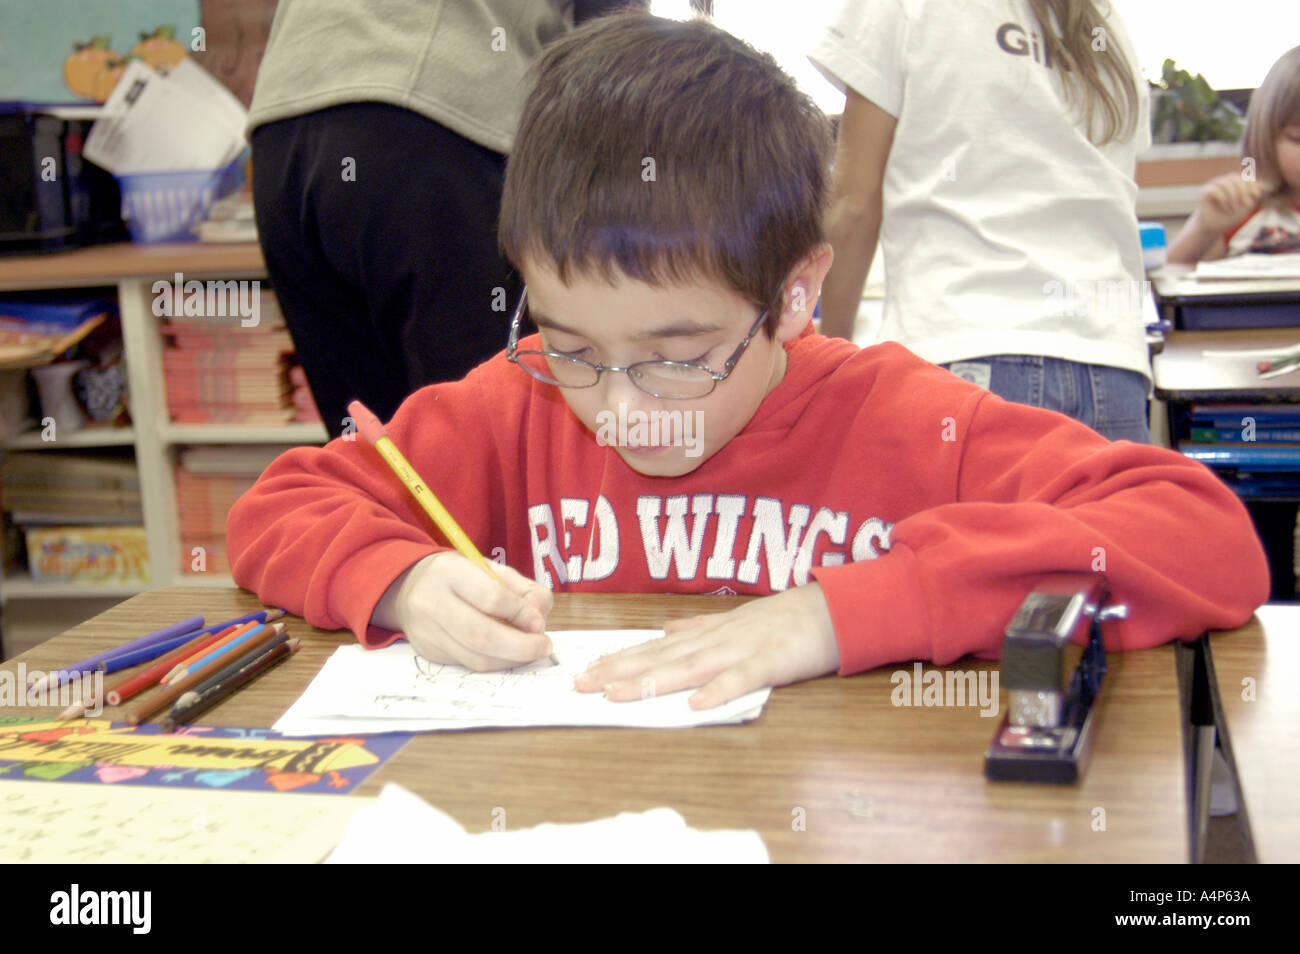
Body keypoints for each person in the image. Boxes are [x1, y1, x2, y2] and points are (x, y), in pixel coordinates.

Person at [226, 13, 1268, 710]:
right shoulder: (512, 408)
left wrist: (846, 612)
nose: (620, 410)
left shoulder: (907, 420)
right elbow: (278, 509)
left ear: (795, 296)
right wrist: (404, 580)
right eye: (572, 348)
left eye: (678, 358)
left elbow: (1202, 536)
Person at [247, 0, 629, 437]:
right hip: (433, 109)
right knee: (495, 441)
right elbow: (613, 47)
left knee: (371, 451)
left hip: (284, 120)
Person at [812, 0, 1154, 442]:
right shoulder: (1108, 25)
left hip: (965, 350)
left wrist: (829, 364)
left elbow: (854, 206)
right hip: (1113, 368)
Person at [1168, 45, 1300, 264]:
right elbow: (1165, 277)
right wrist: (1202, 229)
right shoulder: (1242, 212)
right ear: (1266, 138)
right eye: (1298, 139)